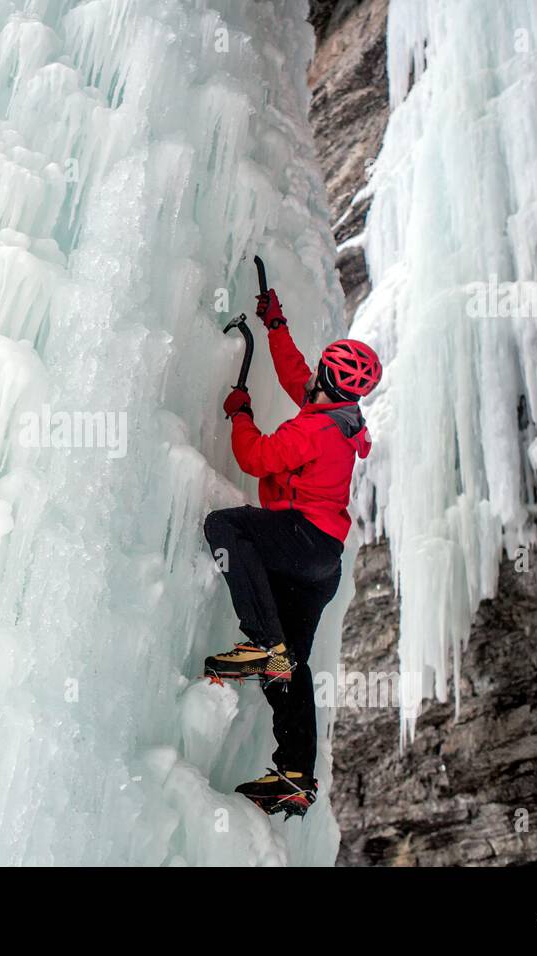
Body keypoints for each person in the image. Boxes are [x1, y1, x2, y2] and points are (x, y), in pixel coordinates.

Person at [203, 288, 382, 817]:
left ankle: (262, 643)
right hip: (322, 563)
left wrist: (240, 413)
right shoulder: (341, 420)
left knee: (224, 527)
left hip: (303, 538)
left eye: (320, 374)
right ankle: (296, 777)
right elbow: (294, 374)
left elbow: (255, 457)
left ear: (329, 383)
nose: (313, 380)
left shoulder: (315, 427)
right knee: (292, 666)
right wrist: (274, 324)